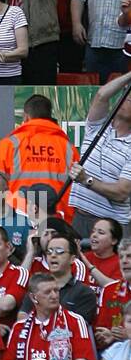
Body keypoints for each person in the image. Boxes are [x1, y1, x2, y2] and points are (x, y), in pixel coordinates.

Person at [0, 93, 78, 217]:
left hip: (17, 219)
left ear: (26, 117)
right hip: (57, 218)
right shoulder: (69, 148)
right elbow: (78, 189)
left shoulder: (9, 144)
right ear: (49, 116)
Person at [68, 71, 131, 237]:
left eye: (130, 98)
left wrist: (86, 180)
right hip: (80, 217)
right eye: (124, 93)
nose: (125, 98)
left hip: (111, 225)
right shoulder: (97, 126)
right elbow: (102, 96)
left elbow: (121, 192)